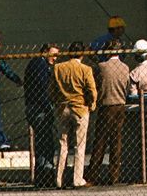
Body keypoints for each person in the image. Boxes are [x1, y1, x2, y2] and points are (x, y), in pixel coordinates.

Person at [53, 40, 97, 189]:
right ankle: (77, 179)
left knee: (62, 144)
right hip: (80, 108)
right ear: (82, 54)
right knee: (80, 145)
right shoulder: (85, 69)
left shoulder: (58, 68)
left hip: (63, 108)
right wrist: (91, 104)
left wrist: (57, 102)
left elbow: (52, 89)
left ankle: (59, 179)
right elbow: (92, 90)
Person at [85, 47, 130, 184]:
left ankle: (93, 174)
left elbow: (97, 85)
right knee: (116, 141)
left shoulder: (102, 67)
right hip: (120, 105)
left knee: (100, 140)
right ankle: (114, 175)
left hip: (106, 105)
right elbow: (127, 86)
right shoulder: (125, 67)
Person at [23, 42, 60, 188]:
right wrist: (48, 108)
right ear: (45, 52)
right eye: (53, 54)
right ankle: (45, 176)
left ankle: (42, 176)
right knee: (45, 143)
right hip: (39, 108)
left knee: (42, 142)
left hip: (35, 106)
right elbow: (42, 89)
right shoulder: (41, 65)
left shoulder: (36, 64)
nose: (55, 58)